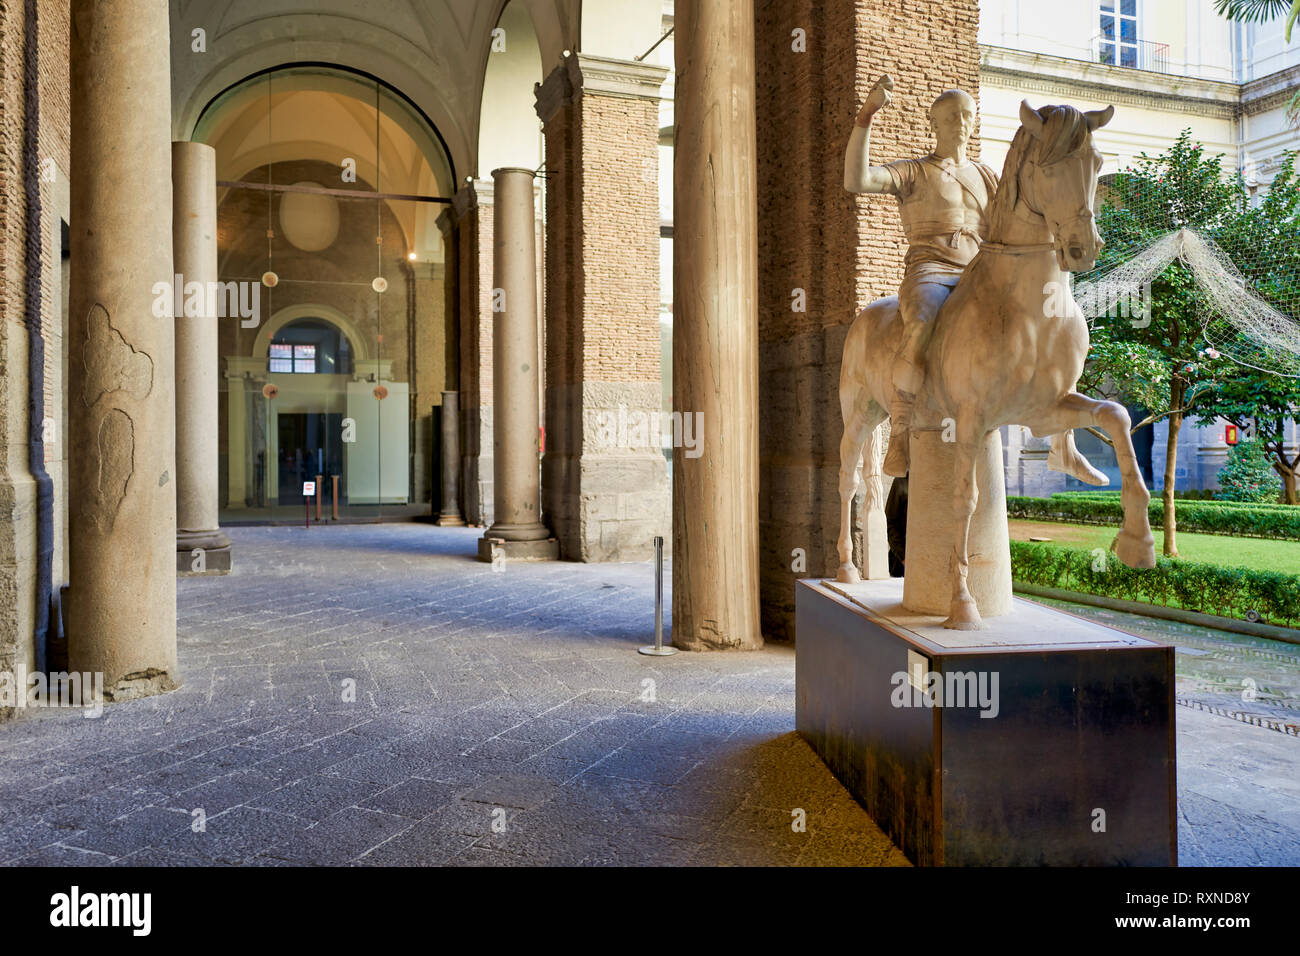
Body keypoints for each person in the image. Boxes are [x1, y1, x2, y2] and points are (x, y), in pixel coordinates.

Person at [844, 75, 998, 478]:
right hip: (932, 270)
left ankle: (1055, 431)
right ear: (934, 123)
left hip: (979, 275)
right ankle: (900, 427)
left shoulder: (987, 176)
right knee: (922, 322)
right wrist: (866, 116)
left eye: (967, 115)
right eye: (951, 116)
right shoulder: (914, 172)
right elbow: (856, 180)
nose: (960, 122)